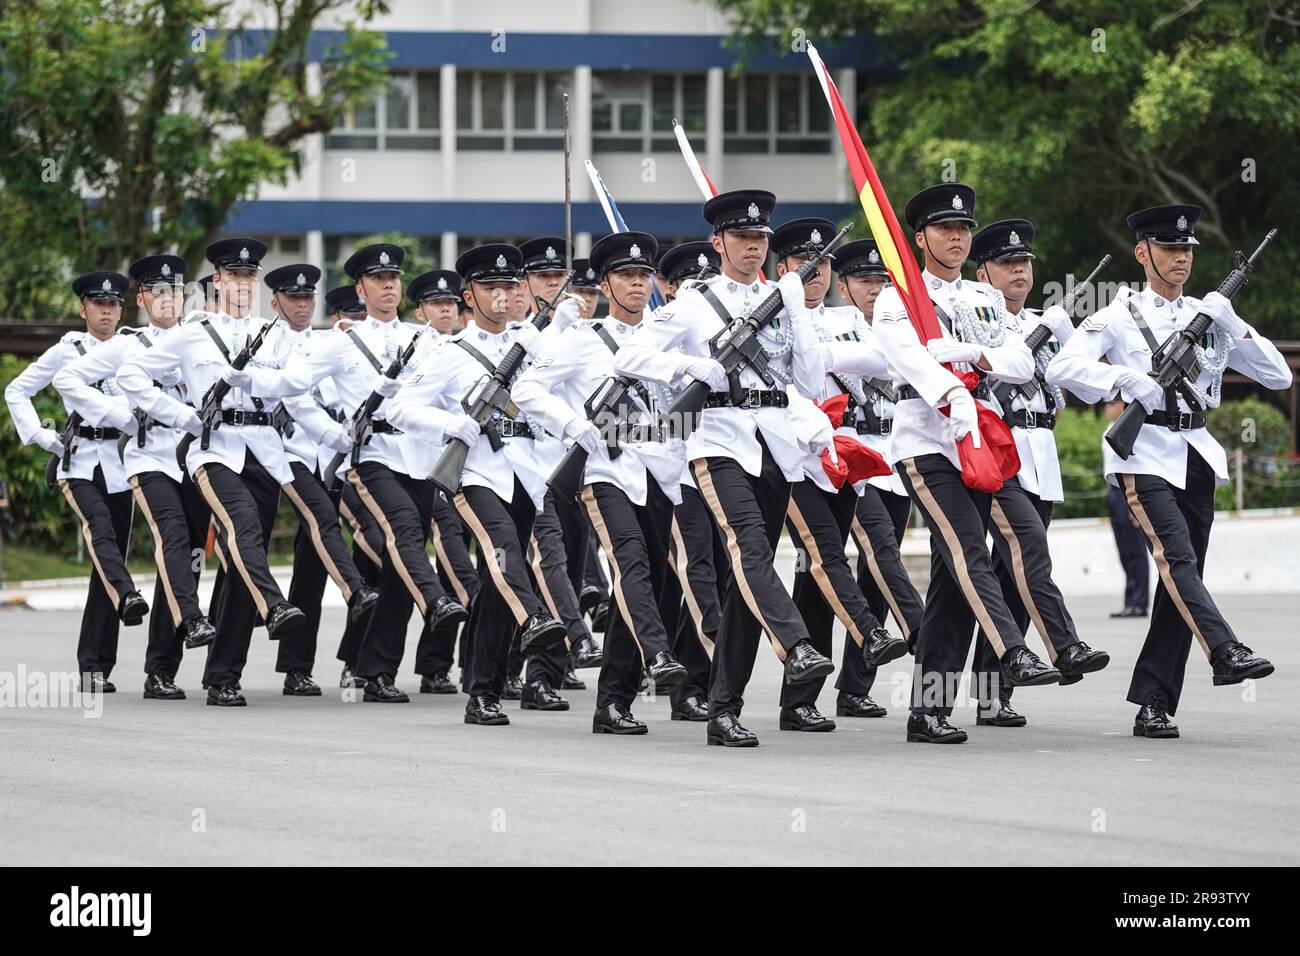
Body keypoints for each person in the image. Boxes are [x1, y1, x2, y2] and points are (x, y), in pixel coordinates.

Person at [1046, 203, 1291, 738]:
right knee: (1177, 561)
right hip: (1144, 454)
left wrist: (1234, 323)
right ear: (1143, 253)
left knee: (1181, 582)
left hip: (1197, 454)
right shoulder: (1116, 314)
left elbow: (1277, 377)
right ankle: (1225, 649)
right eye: (1169, 249)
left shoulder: (1210, 317)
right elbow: (1061, 365)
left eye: (1187, 250)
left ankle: (1155, 703)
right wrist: (1122, 381)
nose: (1180, 258)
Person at [610, 188, 838, 747]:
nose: (753, 247)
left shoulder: (784, 299)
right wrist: (693, 365)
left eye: (760, 238)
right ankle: (798, 646)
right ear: (719, 242)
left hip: (777, 443)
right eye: (741, 237)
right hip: (716, 441)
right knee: (750, 548)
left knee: (743, 583)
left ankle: (723, 708)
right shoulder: (693, 302)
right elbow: (628, 356)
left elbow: (807, 383)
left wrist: (798, 310)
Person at [225, 242, 468, 704]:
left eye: (394, 279)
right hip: (371, 456)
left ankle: (376, 670)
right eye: (378, 280)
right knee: (401, 535)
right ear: (361, 289)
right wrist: (249, 381)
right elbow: (293, 387)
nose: (389, 286)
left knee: (400, 565)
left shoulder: (429, 341)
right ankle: (436, 600)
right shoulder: (342, 341)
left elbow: (450, 398)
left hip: (419, 457)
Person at [876, 183, 1061, 744]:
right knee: (968, 551)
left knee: (952, 583)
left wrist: (974, 356)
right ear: (920, 238)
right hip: (926, 443)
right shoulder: (897, 299)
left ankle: (927, 709)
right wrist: (951, 393)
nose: (957, 238)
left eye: (963, 229)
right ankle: (1012, 651)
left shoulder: (982, 299)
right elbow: (909, 361)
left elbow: (1020, 358)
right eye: (944, 229)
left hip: (978, 445)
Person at [116, 238, 308, 706]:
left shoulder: (276, 333)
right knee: (191, 551)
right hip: (209, 451)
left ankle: (224, 675)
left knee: (244, 556)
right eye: (235, 276)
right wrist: (179, 416)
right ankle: (167, 663)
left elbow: (300, 380)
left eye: (250, 276)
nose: (244, 284)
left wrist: (254, 380)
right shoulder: (191, 334)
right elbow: (131, 376)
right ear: (217, 281)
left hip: (262, 453)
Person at [514, 230, 690, 733]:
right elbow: (527, 388)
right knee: (628, 562)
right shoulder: (581, 340)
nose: (636, 284)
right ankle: (658, 654)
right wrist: (574, 426)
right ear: (605, 286)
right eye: (625, 276)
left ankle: (613, 702)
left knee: (654, 577)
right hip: (605, 469)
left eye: (642, 275)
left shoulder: (664, 333)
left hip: (659, 467)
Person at [386, 243, 568, 726]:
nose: (504, 296)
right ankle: (536, 619)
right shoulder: (449, 353)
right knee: (505, 550)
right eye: (492, 287)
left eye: (511, 286)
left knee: (494, 583)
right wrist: (449, 424)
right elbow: (398, 408)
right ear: (470, 294)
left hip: (528, 475)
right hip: (475, 472)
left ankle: (483, 689)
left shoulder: (534, 348)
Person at [52, 255, 216, 700]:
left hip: (196, 461)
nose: (169, 300)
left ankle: (161, 670)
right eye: (158, 293)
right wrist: (120, 415)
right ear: (142, 299)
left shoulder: (199, 338)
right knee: (172, 544)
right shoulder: (129, 344)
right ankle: (97, 664)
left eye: (176, 292)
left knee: (190, 561)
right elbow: (69, 379)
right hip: (150, 459)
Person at [967, 219, 1110, 727]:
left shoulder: (1045, 326)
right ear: (983, 271)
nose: (1019, 271)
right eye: (1007, 263)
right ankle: (1064, 646)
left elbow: (1087, 393)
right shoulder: (976, 324)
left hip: (1039, 453)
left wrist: (1068, 336)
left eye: (1024, 263)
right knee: (1029, 550)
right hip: (997, 451)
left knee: (1011, 576)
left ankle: (993, 692)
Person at [771, 218, 909, 733]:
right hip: (799, 458)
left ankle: (832, 691)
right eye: (805, 265)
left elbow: (880, 358)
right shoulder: (774, 317)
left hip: (854, 456)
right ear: (782, 268)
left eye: (823, 263)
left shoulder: (841, 319)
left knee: (820, 572)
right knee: (828, 561)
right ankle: (803, 691)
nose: (817, 274)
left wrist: (815, 355)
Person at [6, 270, 149, 692]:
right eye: (98, 304)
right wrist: (41, 438)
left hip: (121, 463)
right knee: (100, 532)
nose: (106, 311)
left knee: (106, 562)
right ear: (83, 308)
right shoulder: (67, 351)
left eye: (113, 304)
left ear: (121, 309)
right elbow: (18, 390)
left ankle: (95, 667)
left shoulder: (135, 348)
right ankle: (128, 595)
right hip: (80, 461)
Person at [261, 263, 380, 696]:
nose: (302, 304)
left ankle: (296, 668)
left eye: (308, 297)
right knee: (312, 526)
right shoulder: (263, 342)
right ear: (275, 302)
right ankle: (356, 592)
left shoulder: (334, 343)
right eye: (293, 297)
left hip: (325, 458)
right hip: (280, 454)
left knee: (311, 563)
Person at [831, 238, 925, 718]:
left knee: (873, 574)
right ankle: (920, 628)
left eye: (881, 280)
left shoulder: (901, 326)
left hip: (896, 451)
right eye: (864, 281)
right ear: (844, 288)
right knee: (880, 548)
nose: (874, 288)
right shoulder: (832, 328)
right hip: (854, 453)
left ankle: (854, 686)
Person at [1104, 399, 1150, 617]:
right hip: (1113, 492)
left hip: (1127, 492)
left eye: (1112, 404)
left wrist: (1134, 504)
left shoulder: (1131, 428)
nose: (1107, 408)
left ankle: (1139, 602)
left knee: (1136, 552)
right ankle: (1130, 600)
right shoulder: (1109, 429)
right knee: (1124, 551)